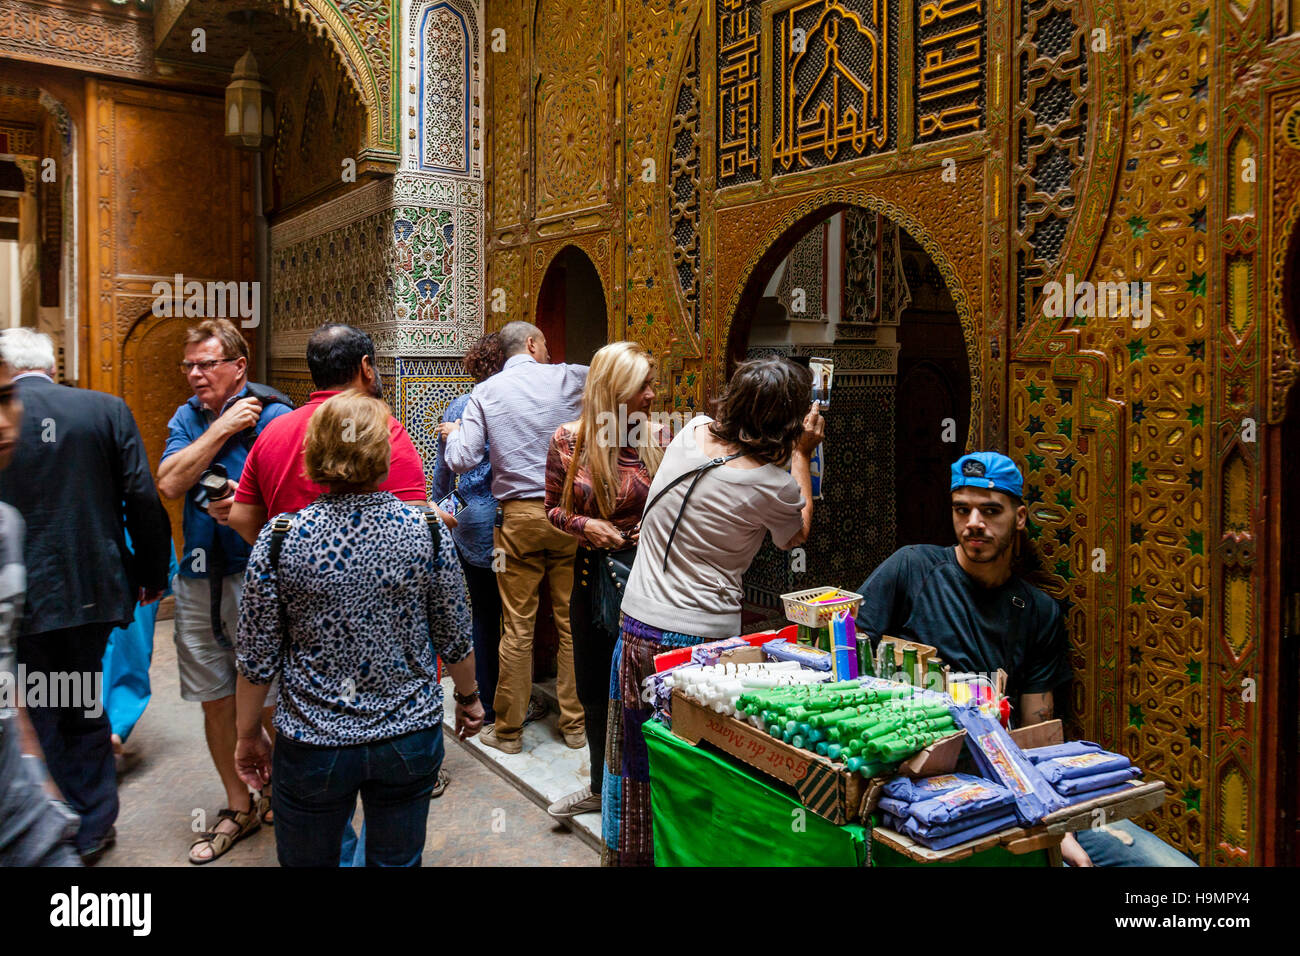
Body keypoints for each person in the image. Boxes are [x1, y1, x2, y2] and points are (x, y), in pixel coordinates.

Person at [854, 450, 1195, 868]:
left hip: (1012, 781)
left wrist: (1057, 824)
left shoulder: (1037, 611)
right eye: (962, 510)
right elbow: (846, 659)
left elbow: (1038, 730)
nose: (973, 523)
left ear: (1019, 517)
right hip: (923, 791)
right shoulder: (911, 569)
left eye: (990, 511)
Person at [227, 322, 448, 865]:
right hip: (398, 703)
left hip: (312, 712)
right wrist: (465, 695)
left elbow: (240, 516)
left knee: (315, 837)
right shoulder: (387, 433)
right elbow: (423, 554)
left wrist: (282, 568)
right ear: (366, 367)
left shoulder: (275, 435)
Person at [605, 356, 824, 866]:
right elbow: (796, 531)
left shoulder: (692, 433)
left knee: (636, 762)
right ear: (787, 421)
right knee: (690, 771)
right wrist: (802, 455)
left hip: (636, 625)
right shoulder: (772, 484)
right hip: (695, 644)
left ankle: (628, 857)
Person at [0, 328, 172, 864]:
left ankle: (47, 822)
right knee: (79, 699)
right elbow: (141, 498)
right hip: (90, 588)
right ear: (53, 365)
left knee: (33, 704)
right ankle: (93, 821)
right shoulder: (103, 409)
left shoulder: (9, 418)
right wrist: (151, 573)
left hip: (22, 591)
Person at [156, 318, 294, 864]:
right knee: (214, 695)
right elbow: (169, 481)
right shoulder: (188, 418)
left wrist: (246, 502)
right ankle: (240, 806)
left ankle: (282, 795)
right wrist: (218, 430)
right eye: (189, 365)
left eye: (206, 364)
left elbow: (297, 505)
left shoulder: (275, 416)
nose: (194, 374)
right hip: (198, 580)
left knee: (269, 697)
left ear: (238, 366)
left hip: (260, 577)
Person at [439, 321, 587, 755]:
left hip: (517, 520)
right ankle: (575, 726)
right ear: (532, 344)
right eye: (544, 344)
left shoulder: (484, 393)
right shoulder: (570, 376)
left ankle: (508, 732)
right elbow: (613, 384)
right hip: (566, 516)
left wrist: (454, 438)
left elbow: (462, 459)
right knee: (568, 623)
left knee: (517, 627)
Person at [544, 341, 666, 819]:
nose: (653, 395)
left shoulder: (657, 438)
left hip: (648, 578)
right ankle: (599, 786)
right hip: (592, 576)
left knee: (646, 687)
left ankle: (649, 792)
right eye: (644, 387)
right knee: (594, 687)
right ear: (615, 391)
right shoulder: (568, 441)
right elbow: (550, 508)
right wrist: (583, 526)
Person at [0, 353, 83, 867]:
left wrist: (40, 781)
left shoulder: (7, 527)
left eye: (6, 398)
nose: (4, 421)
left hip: (23, 816)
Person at [430, 332, 532, 730]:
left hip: (470, 522)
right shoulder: (521, 401)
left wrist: (441, 507)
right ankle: (515, 705)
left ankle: (485, 702)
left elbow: (445, 469)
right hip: (513, 519)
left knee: (484, 615)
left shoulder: (462, 404)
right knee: (519, 619)